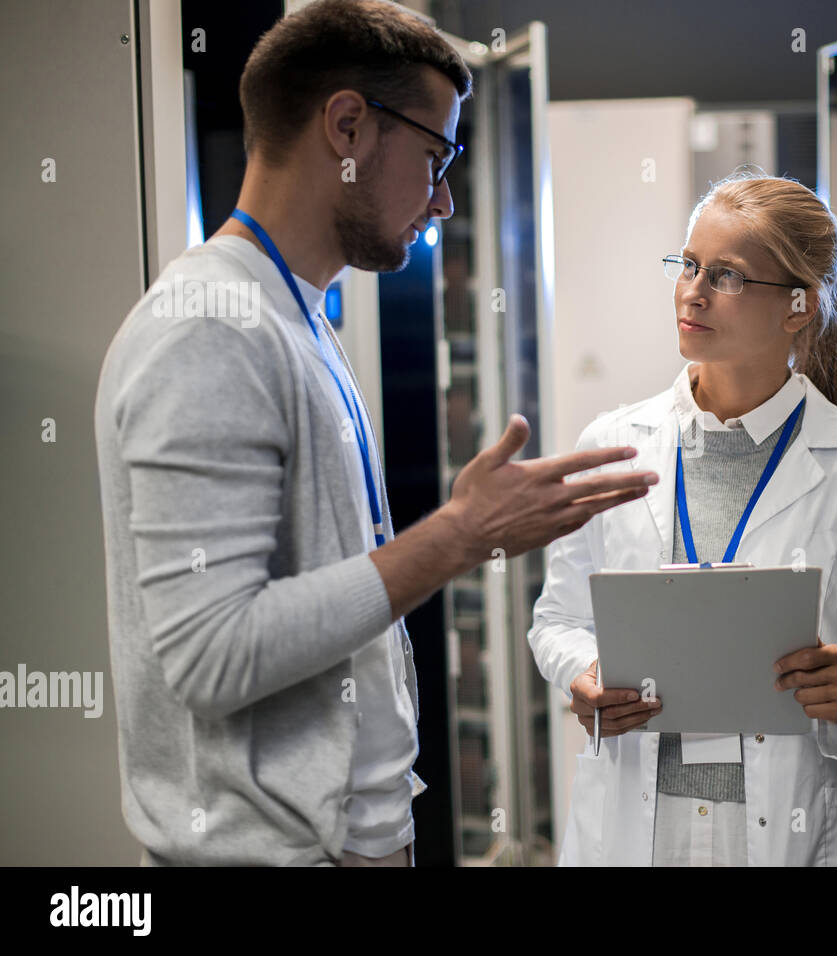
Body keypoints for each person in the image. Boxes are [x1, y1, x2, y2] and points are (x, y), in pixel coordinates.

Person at [93, 0, 656, 867]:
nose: (444, 197)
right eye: (435, 156)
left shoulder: (295, 317)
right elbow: (209, 653)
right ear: (348, 126)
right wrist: (460, 536)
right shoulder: (209, 330)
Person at [527, 171, 837, 866]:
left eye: (727, 276)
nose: (692, 291)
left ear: (798, 306)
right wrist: (584, 671)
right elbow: (555, 619)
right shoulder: (612, 444)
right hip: (639, 821)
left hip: (792, 827)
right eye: (690, 265)